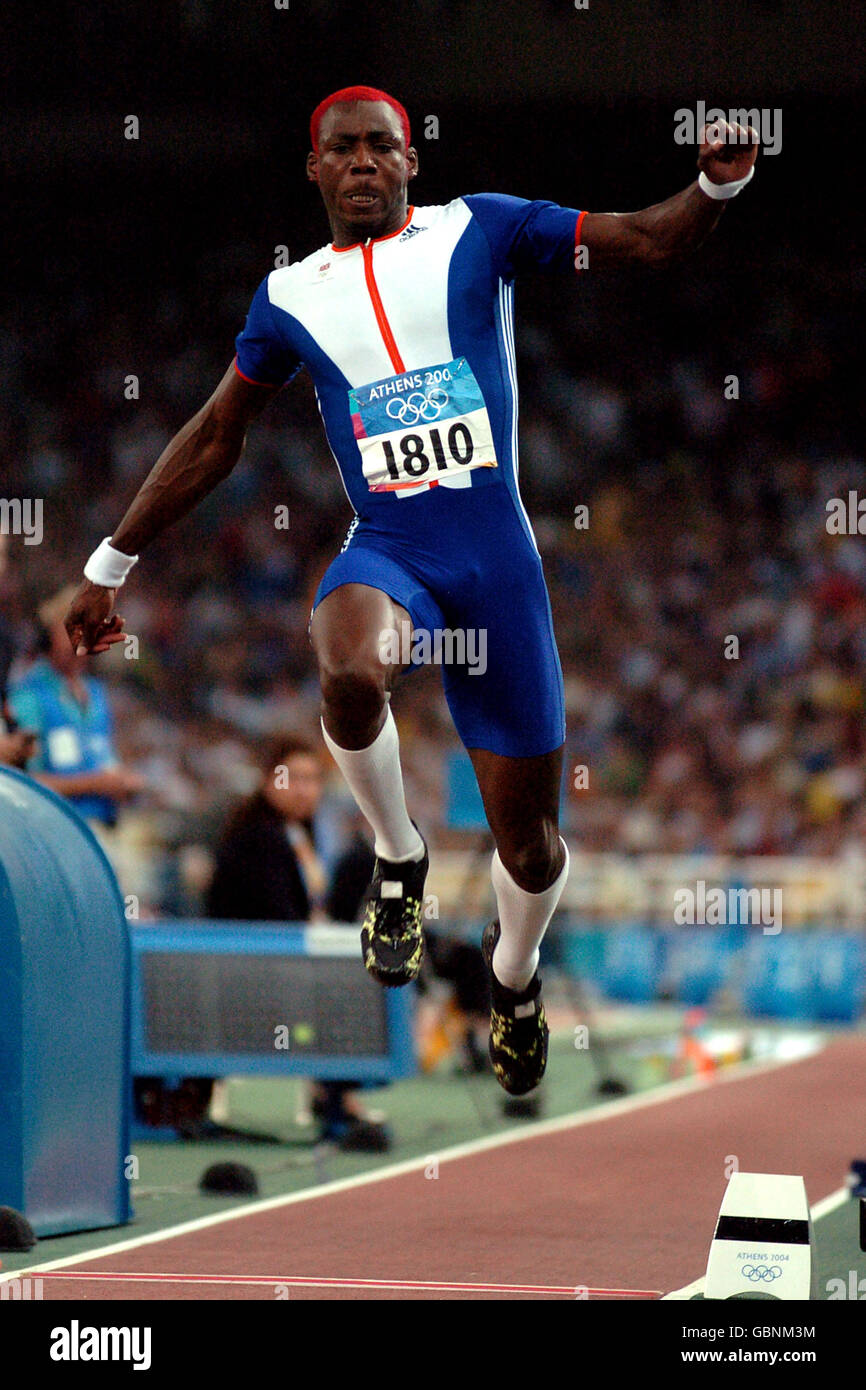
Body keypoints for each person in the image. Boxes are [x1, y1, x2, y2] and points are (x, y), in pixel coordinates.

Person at [63, 86, 758, 1096]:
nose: (360, 164)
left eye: (378, 148)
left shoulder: (481, 228)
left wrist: (711, 184)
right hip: (393, 549)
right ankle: (399, 859)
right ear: (314, 170)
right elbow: (218, 434)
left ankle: (511, 979)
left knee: (529, 843)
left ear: (408, 161)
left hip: (497, 570)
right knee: (346, 671)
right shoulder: (290, 297)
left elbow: (645, 240)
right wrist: (108, 563)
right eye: (339, 150)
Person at [206, 733, 388, 1149]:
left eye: (313, 779)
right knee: (346, 982)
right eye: (294, 778)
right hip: (251, 970)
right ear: (270, 782)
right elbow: (279, 921)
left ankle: (332, 1094)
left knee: (362, 869)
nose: (305, 789)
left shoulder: (298, 836)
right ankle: (334, 1095)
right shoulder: (261, 838)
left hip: (278, 960)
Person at [9, 583, 143, 827]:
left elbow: (106, 761)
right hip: (55, 830)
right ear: (48, 635)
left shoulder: (96, 694)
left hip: (101, 829)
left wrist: (123, 783)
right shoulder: (29, 697)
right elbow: (22, 783)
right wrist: (95, 784)